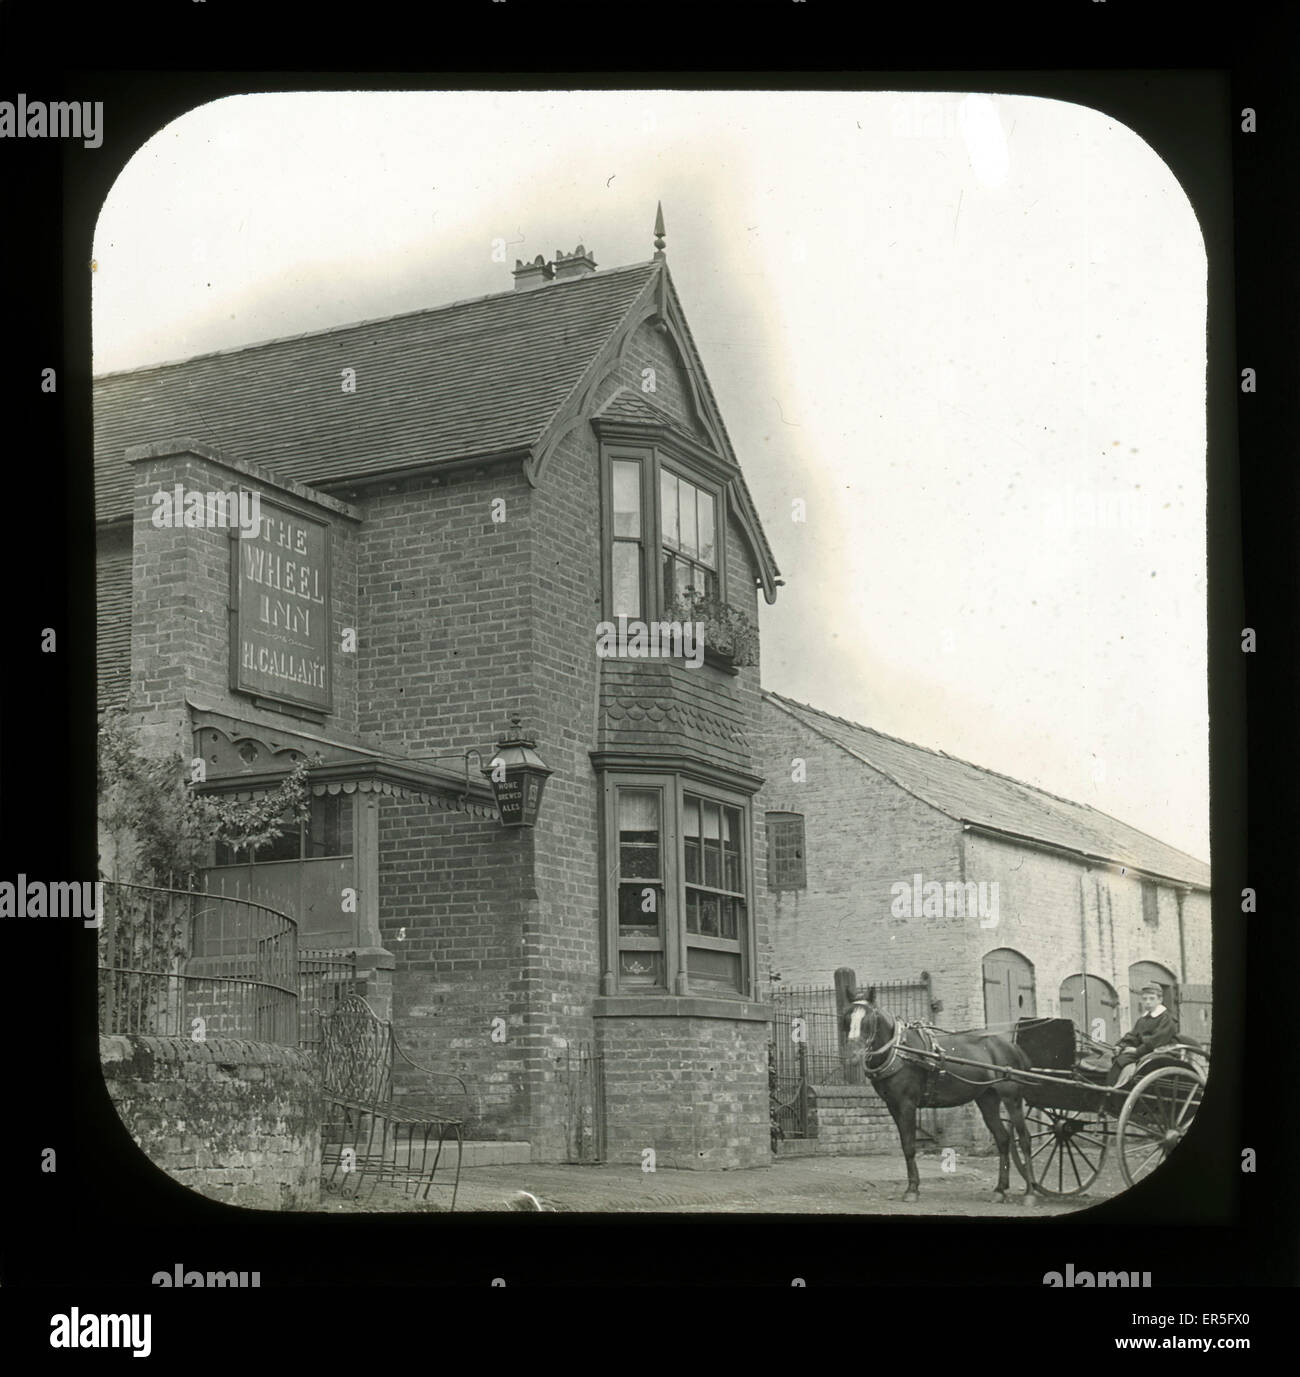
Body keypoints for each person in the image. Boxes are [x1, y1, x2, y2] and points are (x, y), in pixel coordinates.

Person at [1106, 984, 1178, 1085]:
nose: (1148, 1002)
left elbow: (1158, 1040)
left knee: (1122, 1060)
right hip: (1147, 1051)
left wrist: (1137, 1050)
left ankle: (1114, 1090)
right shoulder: (1143, 1019)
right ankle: (1115, 1087)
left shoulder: (1167, 1018)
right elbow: (1133, 1036)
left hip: (1160, 1052)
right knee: (1118, 1057)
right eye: (1145, 999)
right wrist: (1121, 1046)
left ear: (1160, 999)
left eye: (1152, 999)